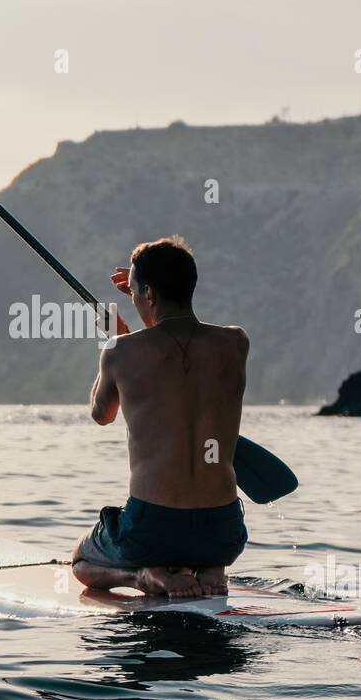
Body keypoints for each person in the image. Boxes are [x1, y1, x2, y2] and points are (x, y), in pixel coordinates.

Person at [71, 235, 249, 599]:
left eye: (137, 293)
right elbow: (171, 361)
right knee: (203, 531)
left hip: (153, 530)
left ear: (148, 295)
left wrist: (115, 339)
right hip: (223, 533)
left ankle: (145, 577)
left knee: (80, 562)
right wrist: (144, 288)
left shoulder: (120, 351)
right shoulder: (235, 344)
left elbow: (101, 414)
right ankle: (211, 569)